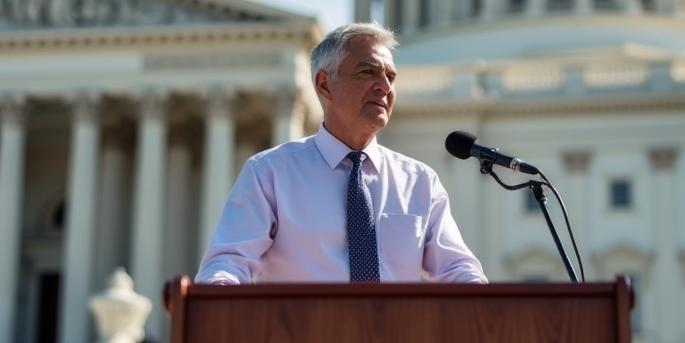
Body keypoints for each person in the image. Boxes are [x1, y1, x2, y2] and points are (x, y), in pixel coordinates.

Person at [196, 23, 488, 285]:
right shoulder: (269, 173)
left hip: (395, 342)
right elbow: (228, 262)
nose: (385, 87)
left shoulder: (420, 181)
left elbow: (458, 268)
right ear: (324, 85)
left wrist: (487, 302)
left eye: (391, 76)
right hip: (302, 341)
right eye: (367, 72)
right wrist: (217, 297)